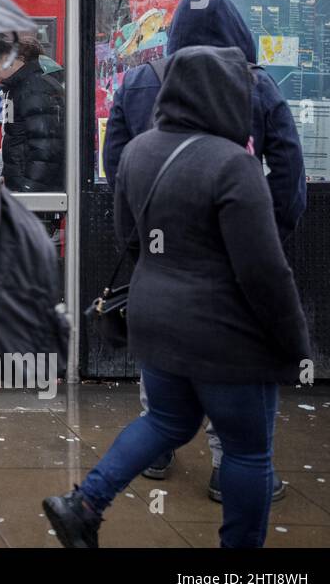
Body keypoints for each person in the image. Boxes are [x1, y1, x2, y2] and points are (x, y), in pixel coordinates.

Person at [44, 46, 311, 548]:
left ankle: (83, 504)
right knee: (248, 453)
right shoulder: (235, 166)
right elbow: (263, 270)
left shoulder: (141, 151)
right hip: (227, 336)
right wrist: (294, 342)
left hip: (154, 320)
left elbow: (130, 234)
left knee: (165, 419)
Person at [104, 0, 306, 498]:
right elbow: (288, 169)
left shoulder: (137, 81)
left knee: (162, 380)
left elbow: (118, 166)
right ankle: (224, 468)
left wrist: (140, 242)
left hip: (160, 257)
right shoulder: (257, 85)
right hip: (233, 252)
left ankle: (156, 453)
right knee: (234, 369)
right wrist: (272, 231)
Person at [0, 38, 65, 192]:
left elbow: (45, 147)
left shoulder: (32, 89)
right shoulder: (20, 87)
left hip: (33, 191)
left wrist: (28, 190)